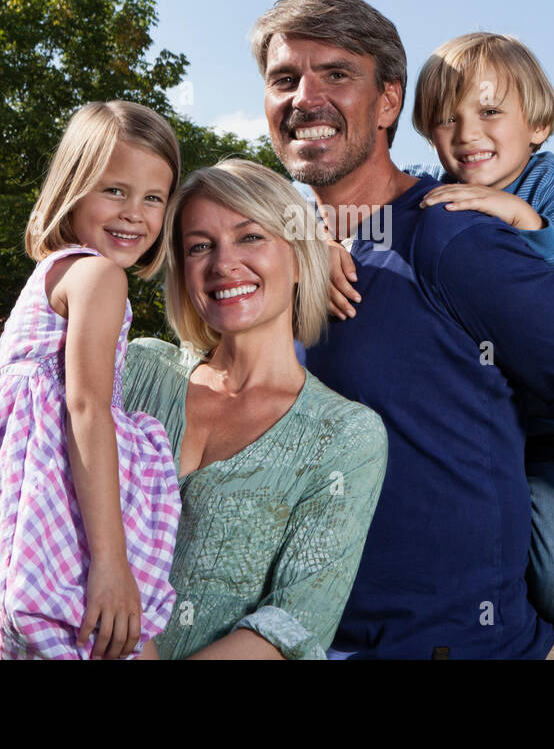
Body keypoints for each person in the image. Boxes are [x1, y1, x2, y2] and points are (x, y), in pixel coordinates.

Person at [252, 0, 554, 659]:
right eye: (284, 79)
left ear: (388, 102)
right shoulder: (274, 260)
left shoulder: (459, 237)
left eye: (336, 74)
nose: (306, 97)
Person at [326, 31, 554, 627]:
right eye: (445, 119)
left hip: (545, 431)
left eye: (489, 111)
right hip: (468, 436)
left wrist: (527, 223)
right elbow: (352, 207)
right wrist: (318, 238)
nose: (467, 134)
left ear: (536, 123)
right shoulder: (430, 193)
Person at [0, 100, 182, 660]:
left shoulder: (51, 272)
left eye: (153, 198)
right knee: (128, 645)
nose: (135, 213)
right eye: (115, 190)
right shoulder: (99, 275)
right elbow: (87, 408)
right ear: (72, 191)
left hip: (17, 512)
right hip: (61, 507)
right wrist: (111, 564)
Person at [121, 158, 387, 659]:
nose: (223, 263)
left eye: (250, 237)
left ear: (298, 253)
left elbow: (290, 626)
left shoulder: (345, 436)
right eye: (200, 245)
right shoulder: (137, 372)